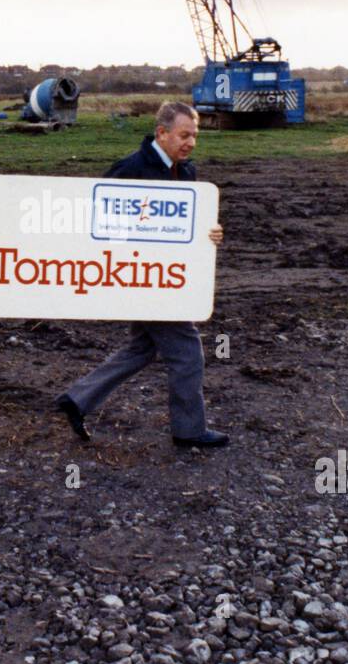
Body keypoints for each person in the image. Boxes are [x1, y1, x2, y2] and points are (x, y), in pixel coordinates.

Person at [56, 101, 228, 448]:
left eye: (195, 136)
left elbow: (185, 224)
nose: (191, 142)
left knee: (142, 348)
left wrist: (210, 232)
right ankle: (189, 431)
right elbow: (98, 217)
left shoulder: (187, 172)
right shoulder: (132, 170)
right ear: (161, 133)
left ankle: (77, 399)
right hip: (142, 280)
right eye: (184, 135)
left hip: (166, 278)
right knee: (186, 349)